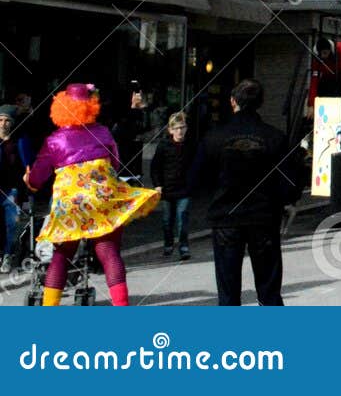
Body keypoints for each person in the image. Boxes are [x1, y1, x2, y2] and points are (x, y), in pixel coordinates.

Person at [22, 84, 160, 306]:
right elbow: (115, 163)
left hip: (70, 206)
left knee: (61, 256)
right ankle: (122, 308)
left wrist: (29, 180)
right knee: (108, 252)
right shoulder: (103, 133)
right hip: (102, 200)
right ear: (91, 107)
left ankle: (49, 311)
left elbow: (37, 180)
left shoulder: (54, 140)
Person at [191, 80, 299, 306]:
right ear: (260, 103)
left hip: (226, 215)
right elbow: (290, 181)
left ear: (232, 102)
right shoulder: (275, 137)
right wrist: (288, 201)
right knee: (269, 289)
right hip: (264, 217)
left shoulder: (214, 137)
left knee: (228, 291)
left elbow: (196, 178)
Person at [149, 111, 196, 260]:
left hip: (184, 188)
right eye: (176, 128)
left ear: (186, 128)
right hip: (168, 188)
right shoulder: (164, 146)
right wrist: (158, 185)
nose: (180, 131)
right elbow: (155, 167)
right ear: (170, 130)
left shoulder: (191, 145)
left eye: (182, 127)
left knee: (182, 217)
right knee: (167, 220)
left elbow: (197, 165)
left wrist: (194, 182)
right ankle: (168, 244)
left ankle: (183, 246)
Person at [0, 105, 37, 274]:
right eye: (0, 120)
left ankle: (8, 254)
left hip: (13, 189)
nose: (3, 123)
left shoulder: (20, 140)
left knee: (12, 223)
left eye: (7, 120)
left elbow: (28, 164)